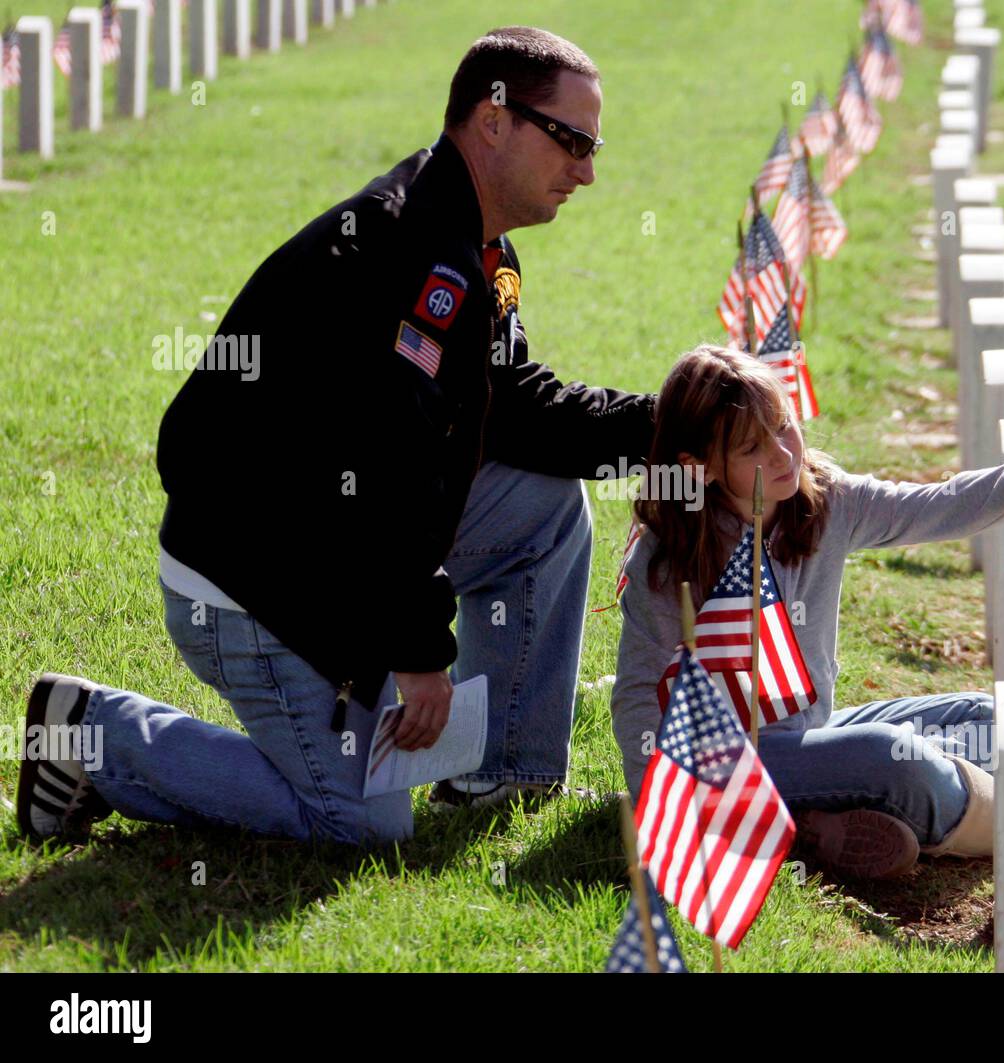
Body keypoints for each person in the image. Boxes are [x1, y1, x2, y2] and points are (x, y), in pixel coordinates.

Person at [17, 27, 657, 846]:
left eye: (592, 146)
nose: (587, 169)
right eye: (571, 140)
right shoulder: (412, 251)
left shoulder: (469, 240)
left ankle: (501, 770)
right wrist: (416, 649)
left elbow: (517, 410)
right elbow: (386, 471)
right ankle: (90, 732)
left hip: (322, 540)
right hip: (250, 573)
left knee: (543, 506)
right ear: (493, 120)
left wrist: (676, 421)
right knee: (360, 817)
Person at [610, 346, 1004, 882]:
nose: (784, 455)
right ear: (699, 467)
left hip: (812, 729)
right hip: (723, 762)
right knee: (886, 755)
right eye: (752, 449)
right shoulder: (668, 558)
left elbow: (930, 505)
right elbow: (636, 692)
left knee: (988, 718)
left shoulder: (823, 499)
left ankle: (820, 823)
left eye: (784, 427)